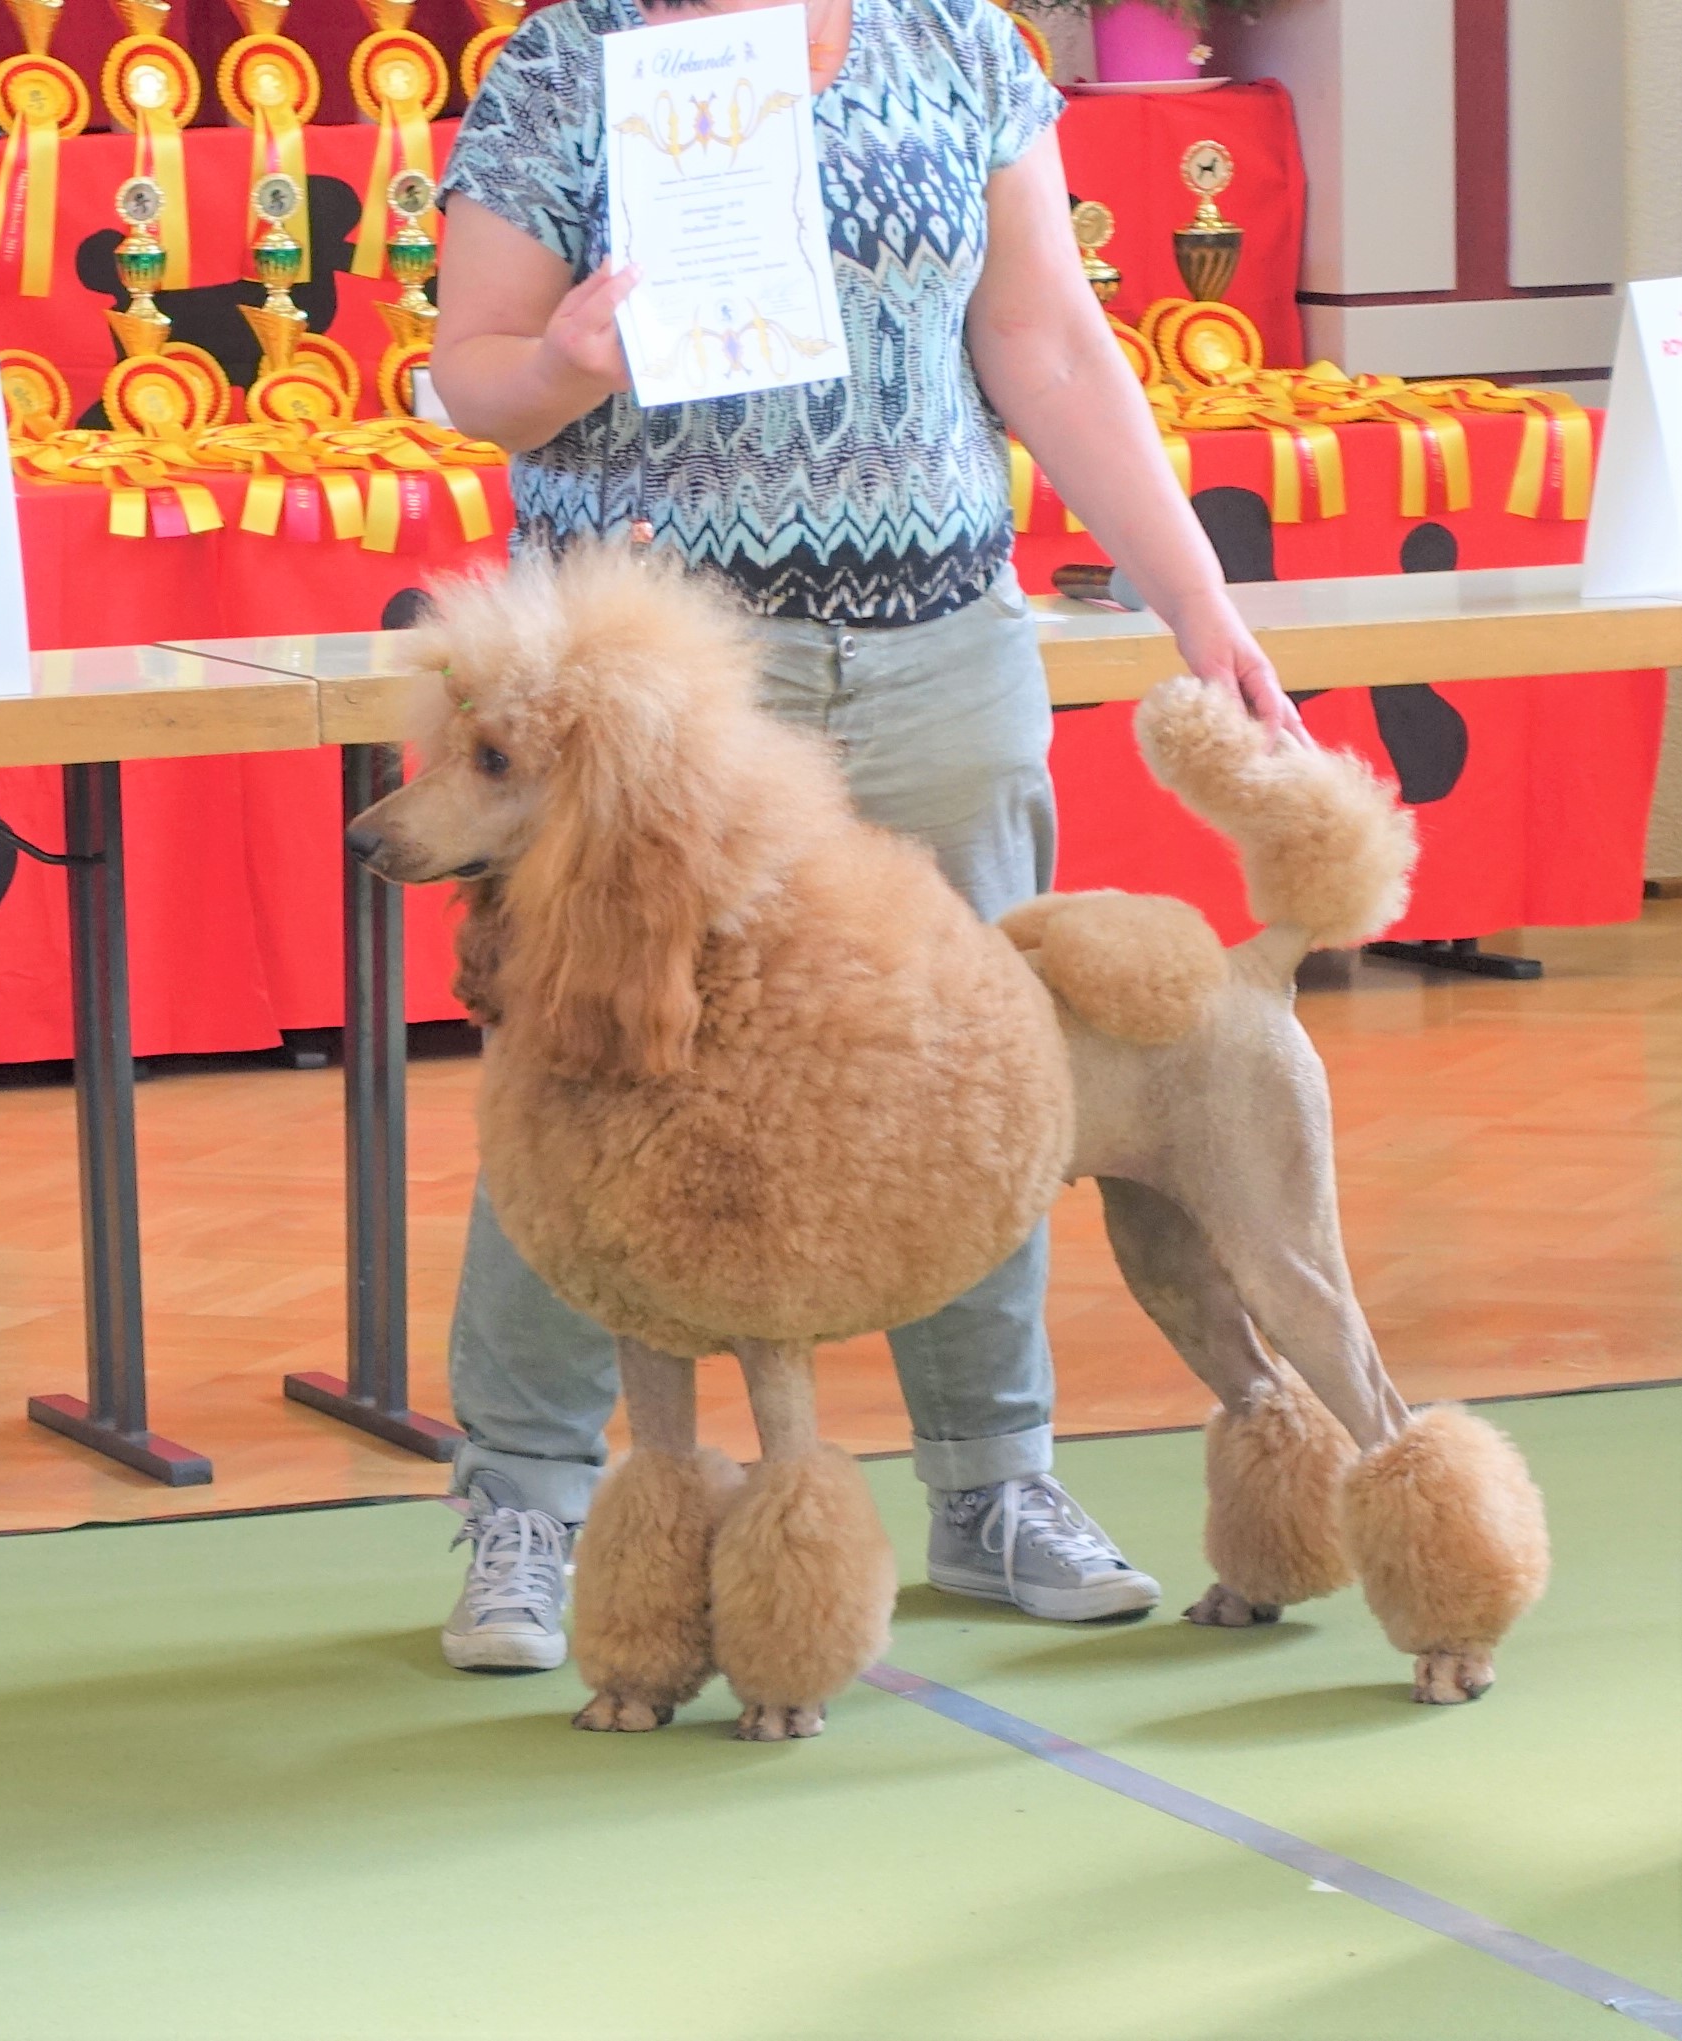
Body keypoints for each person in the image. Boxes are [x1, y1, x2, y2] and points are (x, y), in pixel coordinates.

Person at [426, 0, 1306, 1671]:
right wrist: (557, 366)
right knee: (592, 1067)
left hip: (934, 652)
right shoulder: (564, 57)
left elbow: (1045, 348)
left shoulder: (959, 46)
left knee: (971, 1074)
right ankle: (526, 1508)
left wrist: (1199, 604)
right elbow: (466, 375)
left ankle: (990, 1485)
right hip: (649, 701)